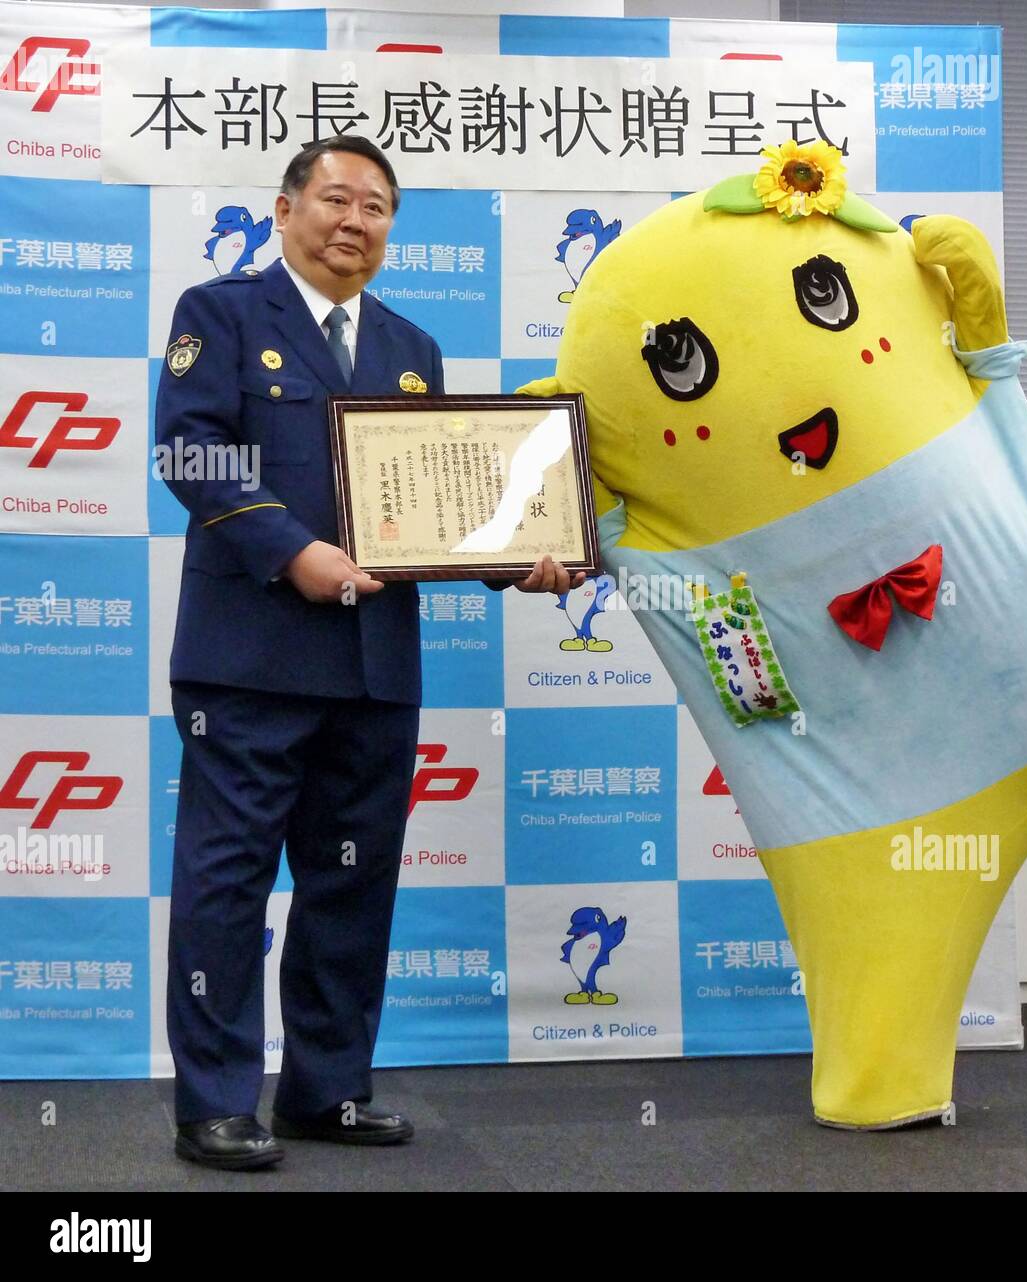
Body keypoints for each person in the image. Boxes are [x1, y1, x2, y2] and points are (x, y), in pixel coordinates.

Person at [157, 135, 582, 1170]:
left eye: (378, 207)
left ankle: (327, 1090)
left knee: (353, 881)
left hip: (373, 665)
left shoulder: (410, 346)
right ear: (286, 207)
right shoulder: (218, 313)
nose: (356, 221)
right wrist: (291, 550)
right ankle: (214, 1101)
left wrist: (519, 559)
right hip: (249, 657)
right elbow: (191, 450)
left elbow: (430, 506)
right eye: (337, 199)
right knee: (228, 883)